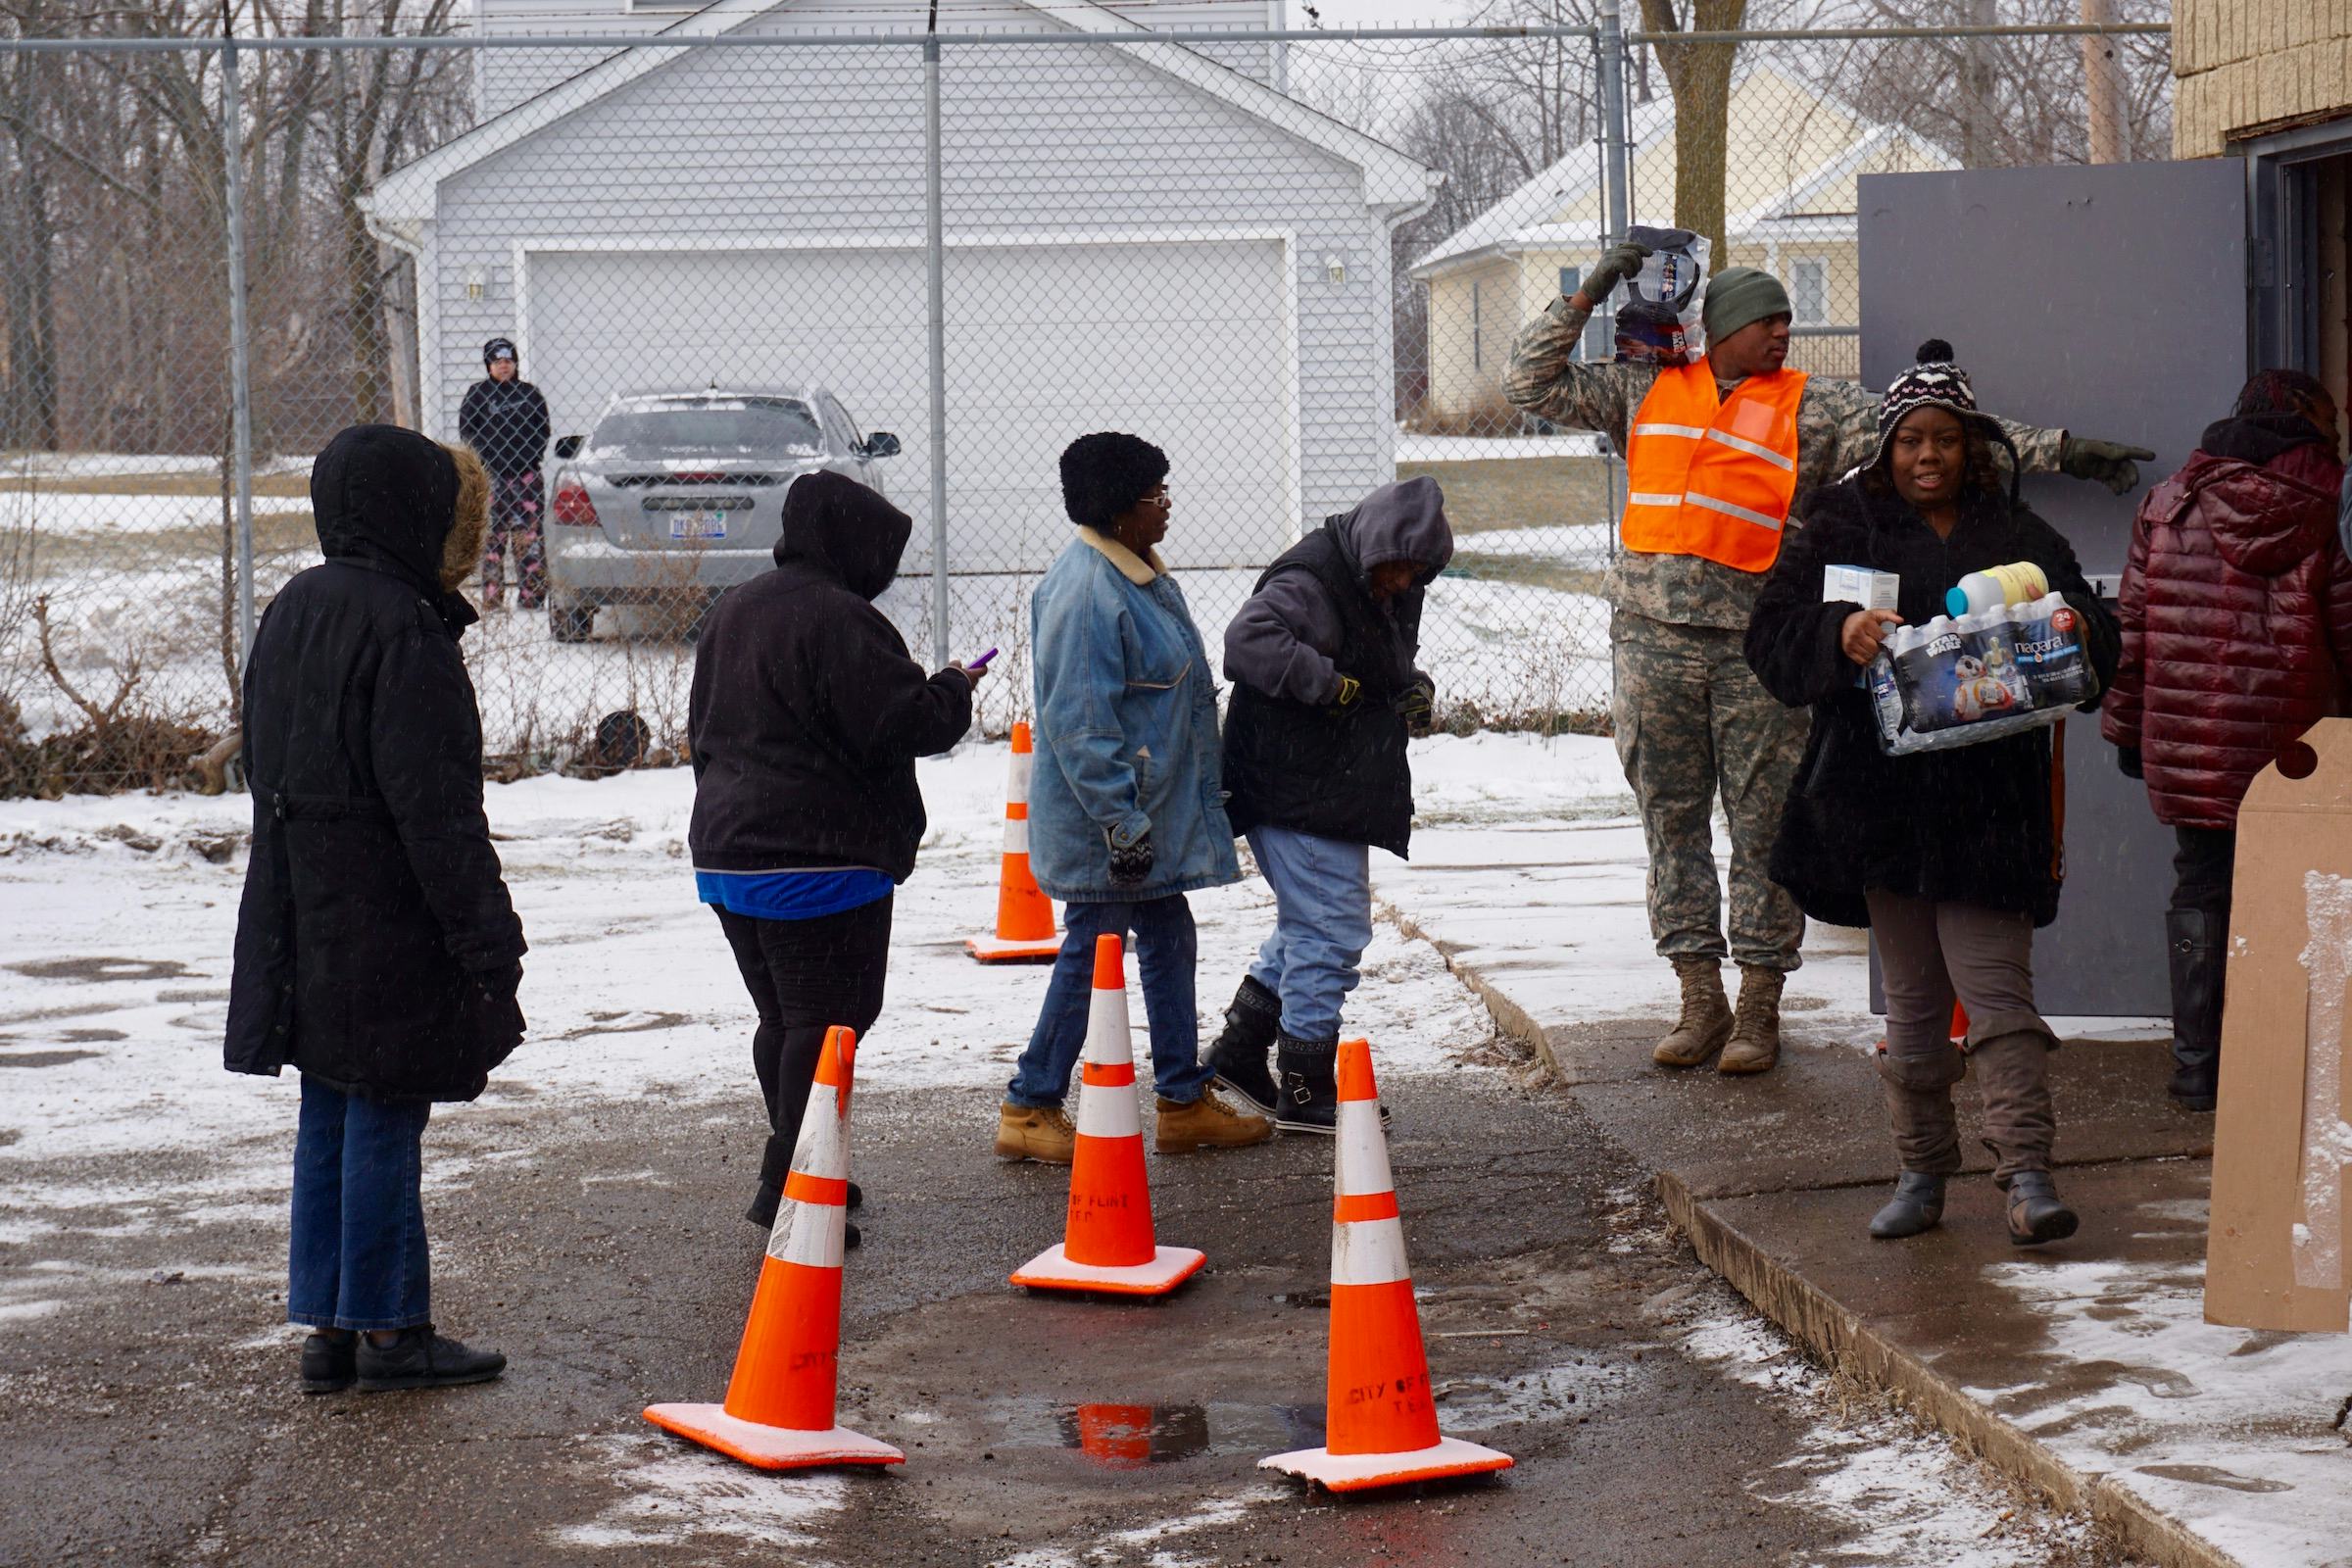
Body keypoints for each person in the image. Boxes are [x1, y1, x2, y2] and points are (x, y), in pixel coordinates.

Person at [1504, 244, 2150, 1078]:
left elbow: (1933, 430)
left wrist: (2065, 448)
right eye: (1766, 320)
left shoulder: (1815, 407)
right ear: (1721, 327)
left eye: (1786, 320)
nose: (1783, 333)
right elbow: (1530, 383)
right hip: (1649, 643)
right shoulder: (1644, 388)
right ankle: (1698, 994)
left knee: (1765, 824)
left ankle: (1759, 1006)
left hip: (1756, 650)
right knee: (1669, 819)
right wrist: (1593, 287)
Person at [1744, 341, 2121, 1247]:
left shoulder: (2018, 535)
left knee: (1996, 992)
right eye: (1911, 439)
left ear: (1973, 446)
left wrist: (2059, 632)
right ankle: (1921, 1173)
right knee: (1913, 1002)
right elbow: (1772, 635)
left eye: (1945, 440)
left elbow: (2096, 635)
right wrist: (1842, 634)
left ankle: (2026, 1175)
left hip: (1993, 805)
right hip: (1881, 806)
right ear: (1886, 447)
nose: (1927, 457)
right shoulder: (1839, 524)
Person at [224, 424, 524, 1393]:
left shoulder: (293, 608)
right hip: (387, 917)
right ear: (413, 511)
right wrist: (488, 943)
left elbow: (264, 761)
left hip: (300, 907)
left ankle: (328, 1325)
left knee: (330, 1106)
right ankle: (392, 1327)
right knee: (385, 1108)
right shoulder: (406, 630)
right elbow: (440, 813)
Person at [689, 471, 979, 1242]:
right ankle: (794, 1188)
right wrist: (952, 686)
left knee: (784, 1018)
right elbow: (904, 722)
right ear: (853, 545)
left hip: (727, 849)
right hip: (818, 856)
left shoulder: (734, 609)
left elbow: (704, 730)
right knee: (829, 1023)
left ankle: (805, 1170)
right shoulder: (842, 620)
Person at [996, 432, 1273, 1162]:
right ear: (1119, 509)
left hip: (1141, 818)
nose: (1167, 505)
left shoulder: (1138, 573)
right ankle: (1030, 1103)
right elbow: (1081, 725)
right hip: (1110, 827)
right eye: (1155, 495)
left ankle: (1182, 1097)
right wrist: (1122, 824)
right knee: (1094, 951)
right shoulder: (1086, 591)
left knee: (1168, 936)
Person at [2103, 369, 2352, 1113]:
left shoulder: (2170, 499)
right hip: (2296, 744)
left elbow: (2133, 627)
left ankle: (2197, 1065)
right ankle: (2280, 1063)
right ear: (2307, 420)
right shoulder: (2328, 503)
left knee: (2204, 884)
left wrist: (2125, 726)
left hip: (2190, 740)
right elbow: (2347, 630)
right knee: (2297, 893)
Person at [1207, 476, 1453, 1132]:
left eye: (1415, 574)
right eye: (1396, 569)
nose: (1402, 585)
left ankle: (1239, 1050)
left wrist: (1409, 689)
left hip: (1324, 781)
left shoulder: (1386, 583)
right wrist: (1326, 686)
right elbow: (1246, 641)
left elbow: (1380, 662)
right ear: (1374, 549)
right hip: (1292, 781)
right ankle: (1308, 1086)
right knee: (1332, 927)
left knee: (1308, 921)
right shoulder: (1312, 580)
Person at [457, 337, 551, 611]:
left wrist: (529, 458)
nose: (504, 366)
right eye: (498, 362)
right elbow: (468, 433)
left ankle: (532, 598)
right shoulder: (477, 395)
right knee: (491, 539)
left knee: (529, 539)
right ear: (489, 366)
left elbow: (542, 430)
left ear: (515, 363)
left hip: (527, 478)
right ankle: (492, 599)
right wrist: (487, 461)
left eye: (508, 361)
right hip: (492, 479)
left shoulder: (529, 394)